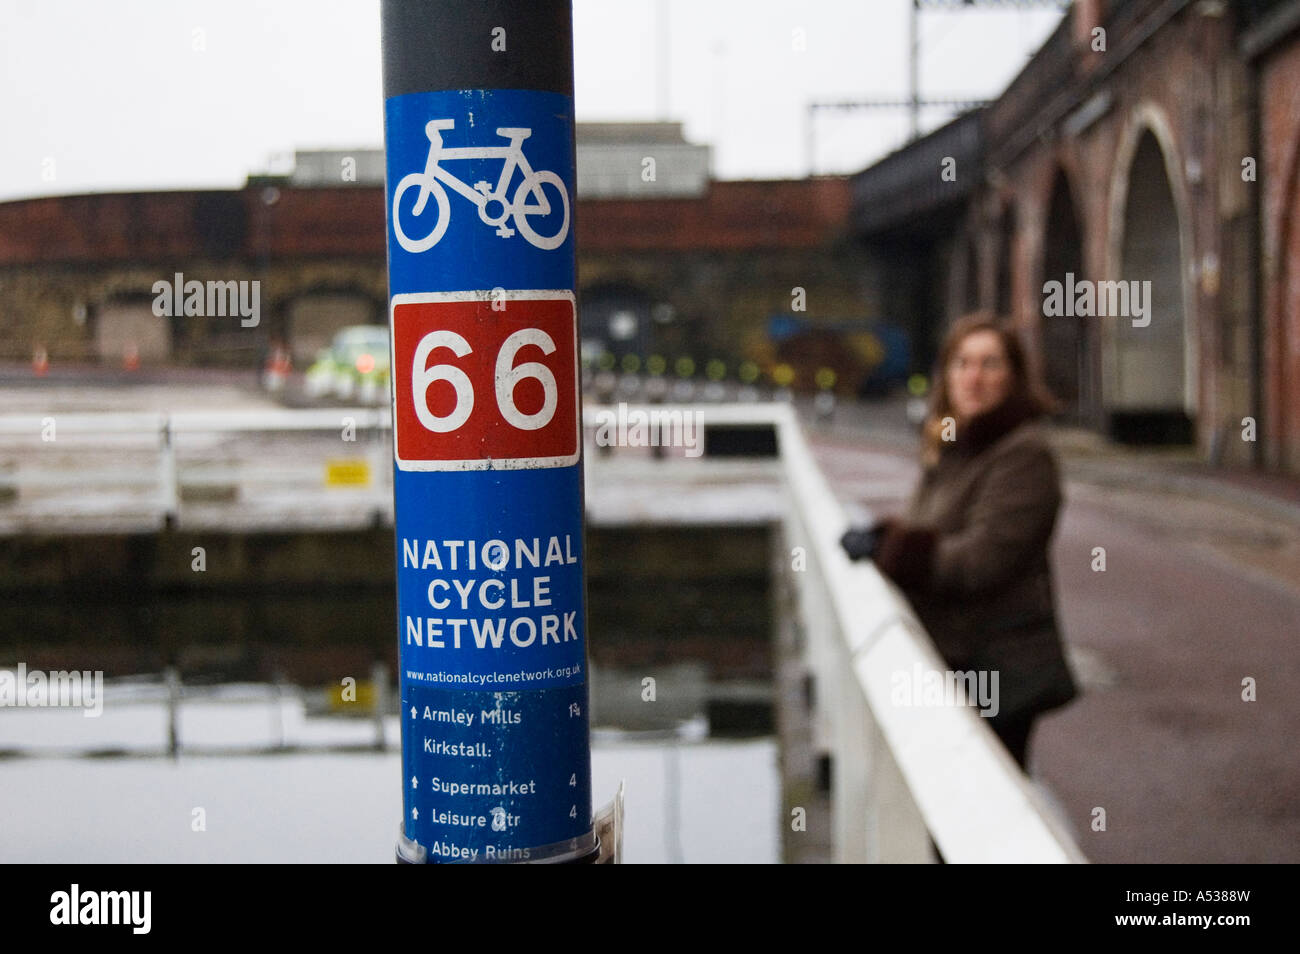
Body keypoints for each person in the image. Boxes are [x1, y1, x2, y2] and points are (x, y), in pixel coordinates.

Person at [841, 312, 1078, 772]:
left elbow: (981, 561)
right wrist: (881, 536)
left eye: (990, 364)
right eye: (962, 364)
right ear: (946, 375)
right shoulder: (957, 445)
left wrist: (893, 550)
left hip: (997, 669)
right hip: (956, 657)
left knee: (984, 813)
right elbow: (929, 526)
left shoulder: (1024, 454)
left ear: (1013, 376)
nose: (974, 378)